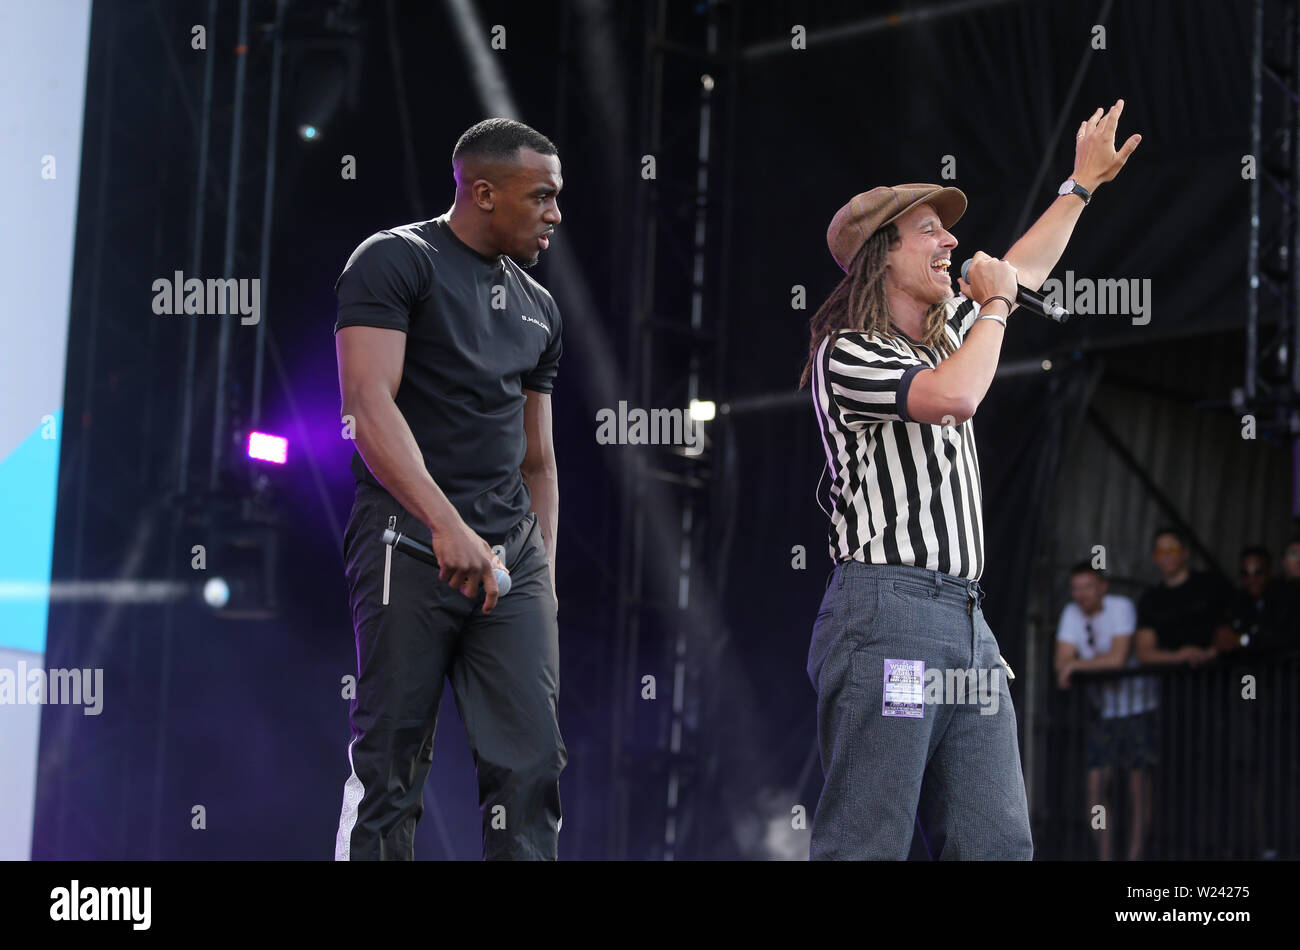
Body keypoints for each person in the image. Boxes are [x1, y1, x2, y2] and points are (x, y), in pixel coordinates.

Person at [800, 101, 1141, 859]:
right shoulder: (850, 353)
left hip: (967, 621)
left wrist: (1080, 186)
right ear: (882, 254)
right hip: (888, 612)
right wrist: (992, 301)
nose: (951, 239)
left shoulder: (947, 334)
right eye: (929, 230)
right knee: (869, 842)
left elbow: (1022, 267)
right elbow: (956, 398)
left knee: (997, 845)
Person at [332, 118, 565, 860]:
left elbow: (539, 461)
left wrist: (544, 574)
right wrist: (445, 524)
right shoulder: (395, 261)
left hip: (511, 554)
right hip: (407, 540)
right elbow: (368, 408)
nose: (556, 215)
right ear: (486, 192)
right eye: (544, 198)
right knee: (392, 766)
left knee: (530, 769)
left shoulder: (540, 307)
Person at [1054, 563, 1157, 861]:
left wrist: (1077, 665)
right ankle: (1106, 857)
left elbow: (1118, 659)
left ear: (1103, 587)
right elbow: (1060, 663)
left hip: (1138, 705)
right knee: (1096, 788)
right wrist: (1077, 665)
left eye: (1087, 587)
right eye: (1076, 588)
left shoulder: (1121, 607)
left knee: (1138, 787)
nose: (1080, 594)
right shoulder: (1071, 614)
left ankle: (1135, 856)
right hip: (1104, 712)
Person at [1133, 528, 1233, 666]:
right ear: (1154, 557)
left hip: (1215, 676)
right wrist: (1178, 657)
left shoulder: (1211, 585)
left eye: (1172, 549)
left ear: (1185, 552)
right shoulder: (1149, 599)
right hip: (1172, 682)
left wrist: (1208, 654)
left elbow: (1231, 632)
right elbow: (1144, 652)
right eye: (1161, 551)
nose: (1167, 555)